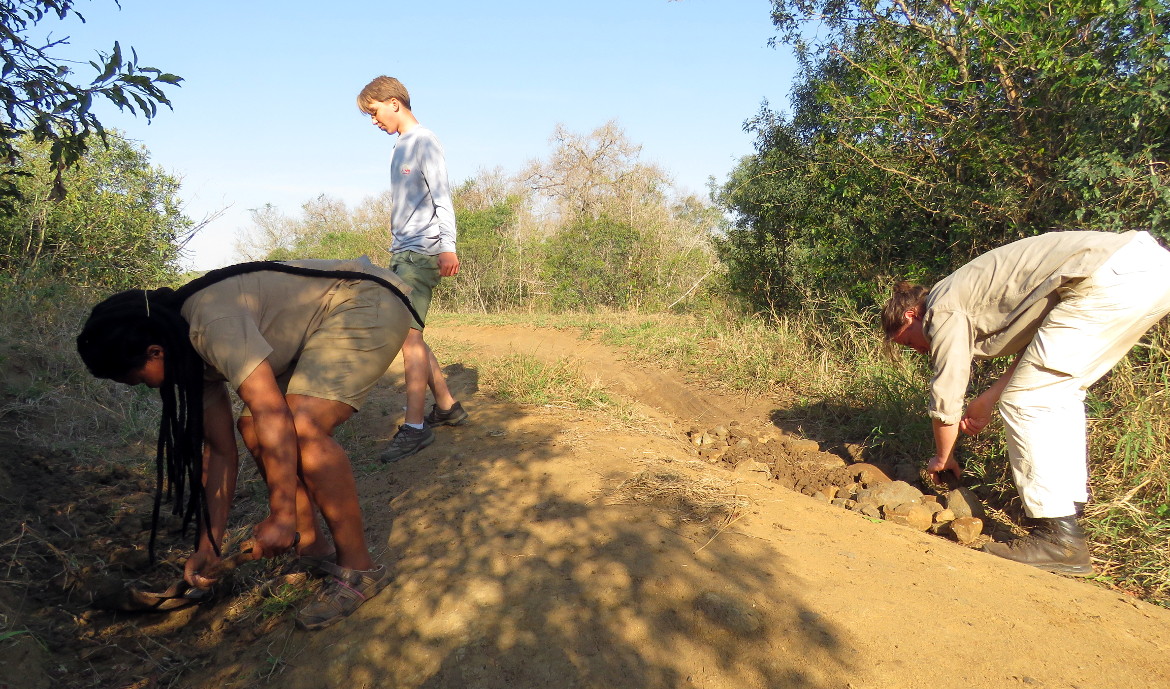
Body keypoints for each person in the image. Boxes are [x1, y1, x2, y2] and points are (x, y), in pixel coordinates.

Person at [76, 258, 417, 630]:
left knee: (303, 427)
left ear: (155, 352)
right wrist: (208, 546)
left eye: (139, 380)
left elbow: (273, 410)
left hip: (365, 297)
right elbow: (221, 452)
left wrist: (281, 514)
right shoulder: (185, 356)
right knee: (251, 428)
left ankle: (359, 570)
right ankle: (313, 549)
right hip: (322, 319)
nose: (148, 388)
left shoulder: (211, 324)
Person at [882, 230, 1170, 575]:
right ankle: (1066, 519)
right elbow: (1037, 348)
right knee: (1056, 394)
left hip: (1110, 275)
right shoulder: (965, 295)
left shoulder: (941, 308)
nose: (918, 350)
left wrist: (944, 457)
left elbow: (948, 390)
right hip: (1147, 271)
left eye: (909, 341)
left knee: (1027, 402)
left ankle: (1058, 538)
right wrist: (989, 399)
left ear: (912, 315)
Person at [357, 75, 469, 463]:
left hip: (421, 254)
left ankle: (415, 427)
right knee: (412, 334)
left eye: (374, 112)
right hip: (403, 252)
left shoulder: (424, 140)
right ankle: (447, 407)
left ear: (393, 102)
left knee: (407, 339)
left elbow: (442, 196)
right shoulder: (399, 147)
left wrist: (448, 247)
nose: (373, 120)